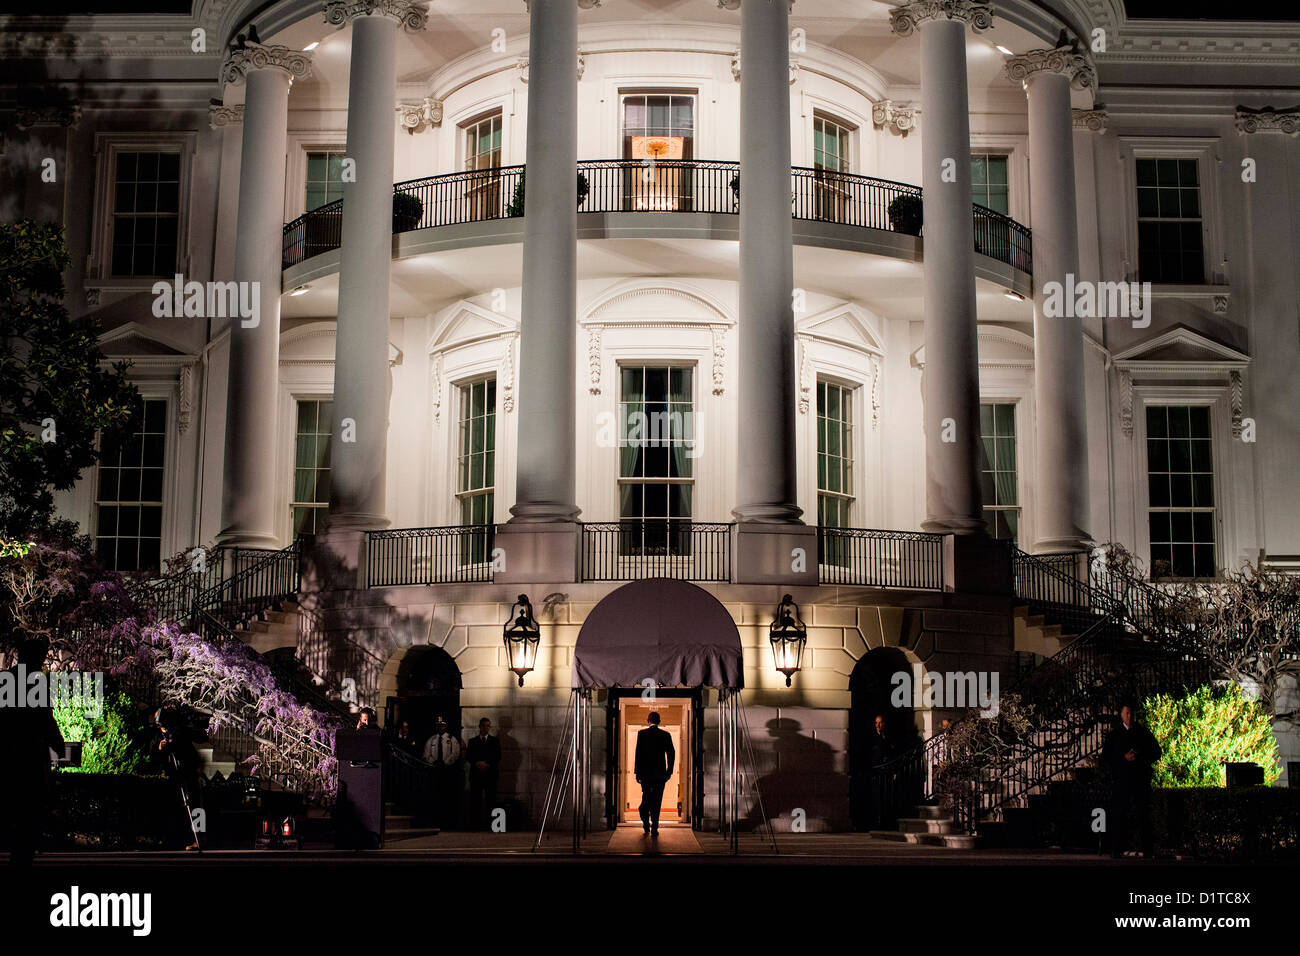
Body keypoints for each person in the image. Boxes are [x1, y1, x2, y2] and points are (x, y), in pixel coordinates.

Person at [0, 639, 65, 865]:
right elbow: (45, 719)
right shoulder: (34, 683)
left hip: (8, 754)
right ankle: (21, 859)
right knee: (28, 813)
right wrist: (57, 744)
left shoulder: (6, 680)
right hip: (29, 756)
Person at [1103, 702, 1162, 859]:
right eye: (1127, 713)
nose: (1130, 717)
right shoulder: (1115, 735)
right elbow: (1106, 757)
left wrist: (1139, 756)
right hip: (1122, 780)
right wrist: (1123, 758)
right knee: (1119, 815)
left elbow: (1156, 751)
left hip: (1139, 780)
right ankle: (1116, 849)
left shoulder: (1142, 733)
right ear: (1121, 715)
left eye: (1131, 713)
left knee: (1143, 815)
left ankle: (1147, 850)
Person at [153, 706, 203, 851]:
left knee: (195, 805)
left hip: (188, 772)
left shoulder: (179, 731)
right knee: (174, 807)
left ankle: (199, 837)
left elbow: (189, 744)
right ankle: (175, 837)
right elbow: (154, 753)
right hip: (172, 774)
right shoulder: (158, 735)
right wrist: (160, 748)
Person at [634, 711, 675, 838]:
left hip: (646, 774)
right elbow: (671, 754)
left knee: (646, 799)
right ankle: (655, 827)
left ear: (648, 721)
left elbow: (638, 754)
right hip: (659, 774)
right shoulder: (665, 735)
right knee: (657, 801)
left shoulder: (642, 734)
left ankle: (646, 822)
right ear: (659, 722)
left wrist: (637, 772)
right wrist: (669, 771)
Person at [422, 717, 463, 828]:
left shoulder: (451, 739)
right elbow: (426, 754)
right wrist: (434, 762)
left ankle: (447, 821)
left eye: (443, 725)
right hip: (434, 771)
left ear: (446, 726)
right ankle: (435, 820)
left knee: (446, 796)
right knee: (434, 796)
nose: (440, 727)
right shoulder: (431, 740)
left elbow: (455, 754)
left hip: (447, 771)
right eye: (438, 725)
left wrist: (445, 763)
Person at [466, 717, 502, 830]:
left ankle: (491, 825)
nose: (486, 728)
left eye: (488, 726)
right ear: (480, 727)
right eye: (483, 725)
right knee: (475, 800)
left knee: (491, 800)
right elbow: (469, 756)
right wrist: (477, 763)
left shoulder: (495, 741)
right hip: (476, 775)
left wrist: (487, 764)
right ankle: (475, 825)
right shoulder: (472, 741)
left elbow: (497, 756)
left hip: (490, 775)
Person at [868, 714, 895, 830]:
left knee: (886, 797)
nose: (878, 725)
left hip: (887, 773)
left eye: (880, 723)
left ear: (884, 724)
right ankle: (876, 822)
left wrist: (893, 771)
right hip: (876, 773)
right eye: (876, 723)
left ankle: (886, 821)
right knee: (876, 798)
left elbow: (892, 755)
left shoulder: (888, 738)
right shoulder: (872, 738)